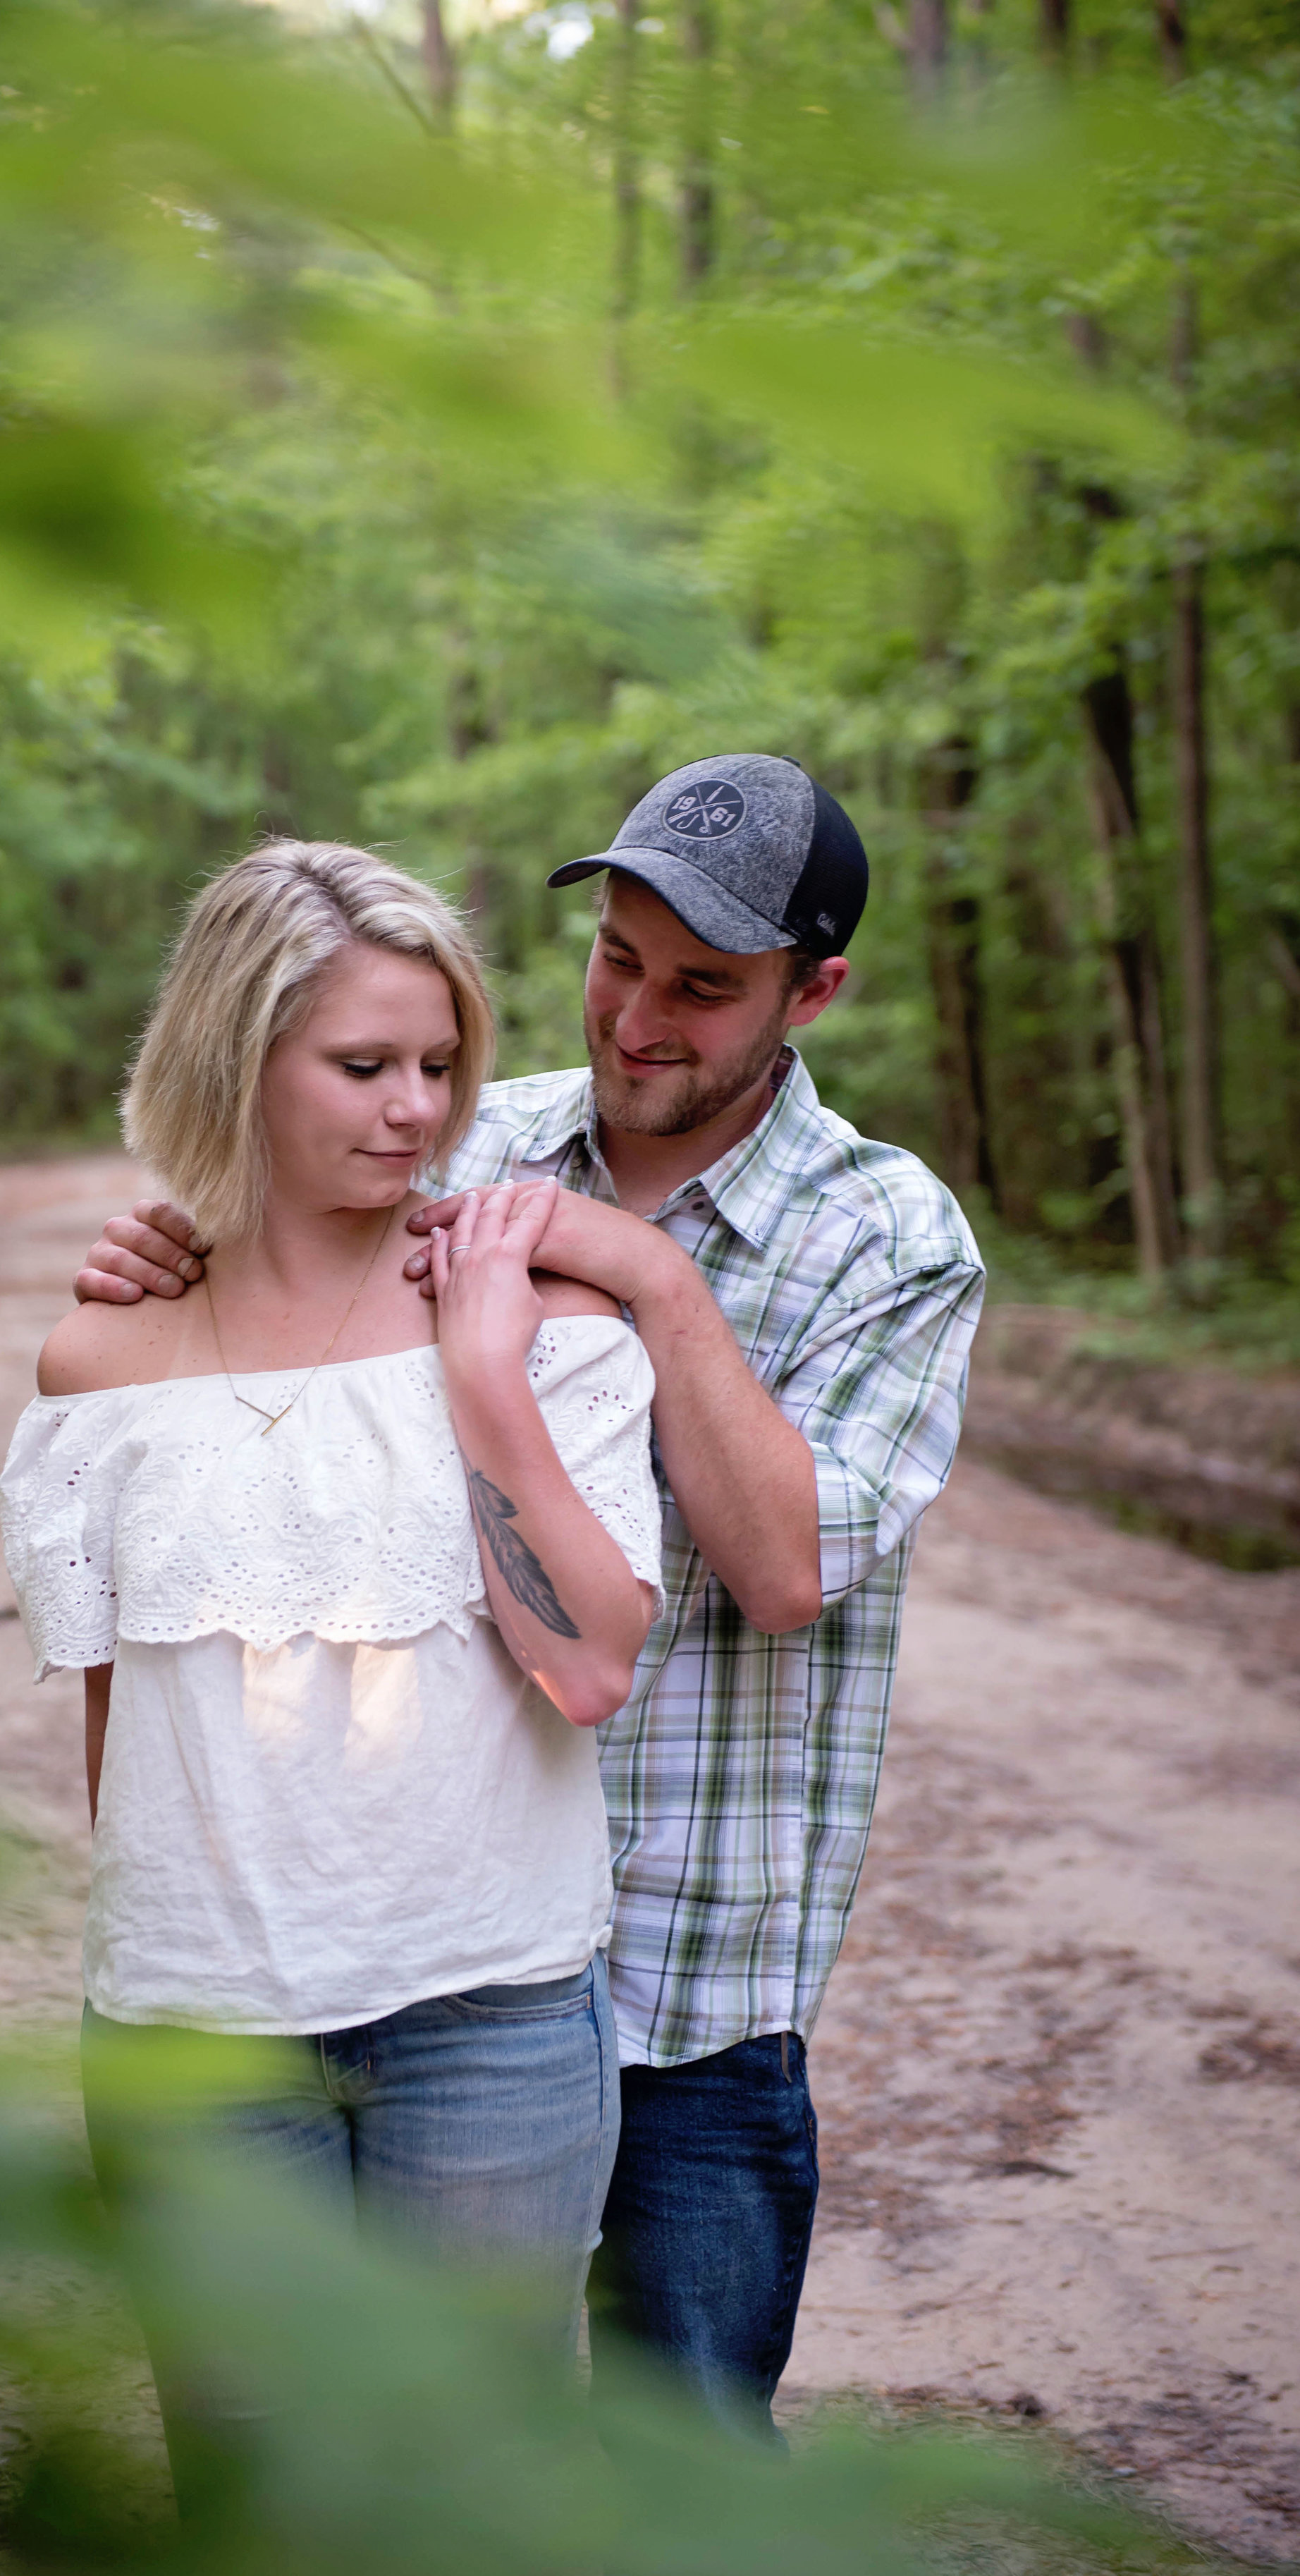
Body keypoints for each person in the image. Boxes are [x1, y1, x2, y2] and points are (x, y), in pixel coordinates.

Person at [71, 755, 986, 2441]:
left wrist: (636, 1268)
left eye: (701, 988)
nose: (638, 1016)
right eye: (615, 958)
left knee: (677, 2472)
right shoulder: (460, 1130)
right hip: (417, 1949)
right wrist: (174, 1258)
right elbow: (264, 1322)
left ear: (815, 991)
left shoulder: (886, 1235)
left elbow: (784, 1567)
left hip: (695, 1976)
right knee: (383, 2454)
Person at [0, 840, 662, 2489]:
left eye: (439, 1064)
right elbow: (122, 1728)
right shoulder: (99, 1362)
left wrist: (484, 1376)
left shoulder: (549, 1319)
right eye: (363, 1065)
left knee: (476, 2509)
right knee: (251, 2514)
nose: (416, 1108)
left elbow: (587, 1669)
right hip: (193, 2034)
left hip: (489, 2017)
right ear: (236, 1060)